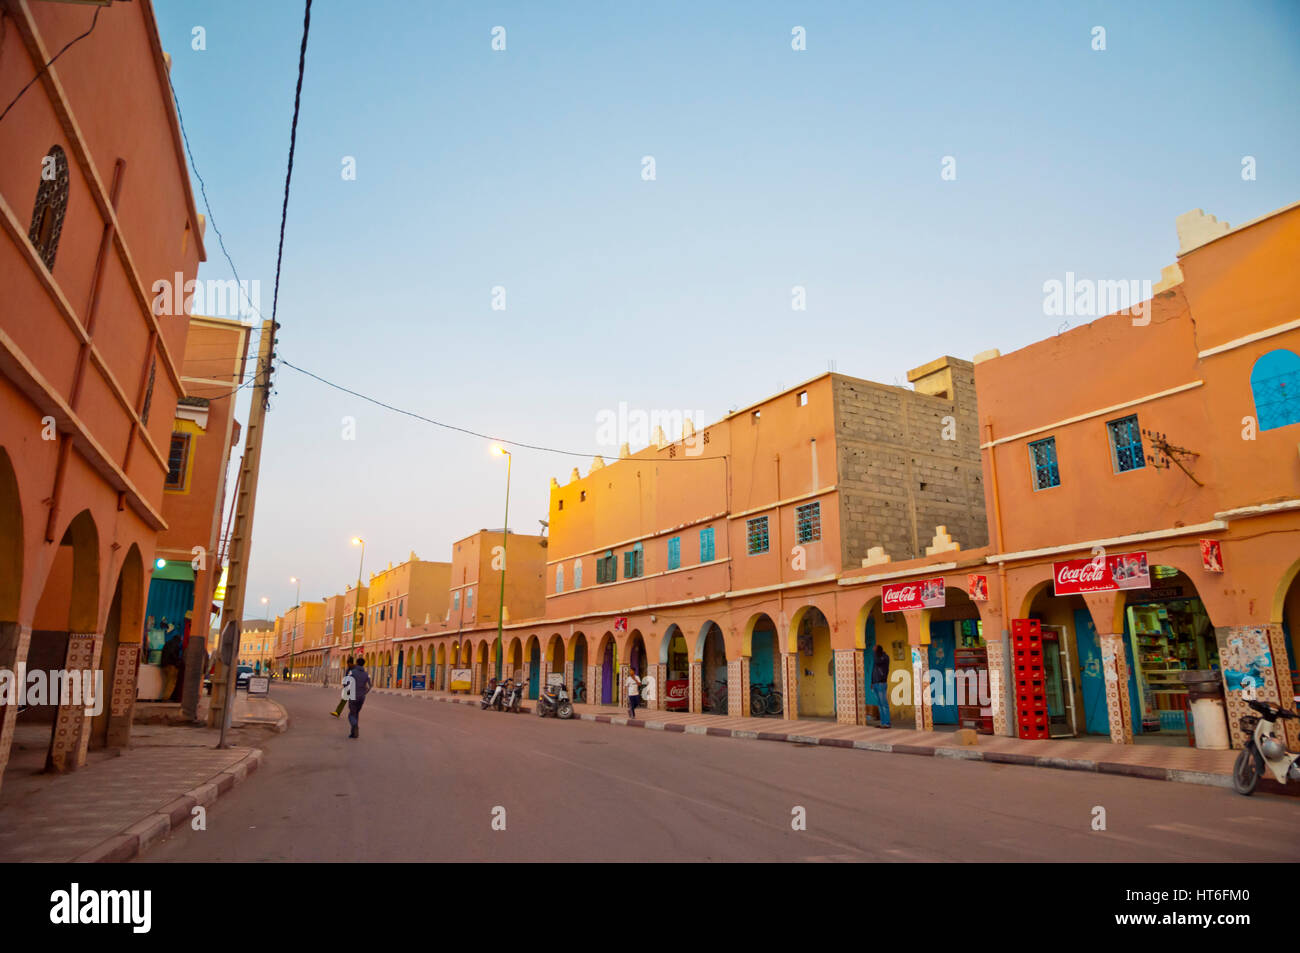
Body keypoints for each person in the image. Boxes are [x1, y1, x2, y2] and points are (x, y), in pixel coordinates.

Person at [345, 657, 371, 738]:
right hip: (362, 697)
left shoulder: (352, 672)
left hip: (353, 696)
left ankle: (354, 725)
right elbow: (370, 685)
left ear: (357, 663)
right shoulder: (366, 674)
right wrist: (365, 692)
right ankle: (353, 733)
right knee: (356, 714)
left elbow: (346, 682)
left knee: (351, 715)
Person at [160, 623, 183, 702]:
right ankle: (165, 698)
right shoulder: (175, 645)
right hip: (171, 666)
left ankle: (164, 696)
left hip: (164, 665)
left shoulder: (167, 643)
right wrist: (177, 660)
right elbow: (172, 653)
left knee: (167, 682)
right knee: (171, 683)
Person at [871, 644, 891, 728]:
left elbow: (877, 662)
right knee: (879, 704)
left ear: (878, 650)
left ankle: (887, 723)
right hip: (875, 683)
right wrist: (871, 683)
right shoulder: (877, 658)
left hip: (881, 683)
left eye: (875, 650)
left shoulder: (884, 657)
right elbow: (873, 671)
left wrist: (875, 653)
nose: (873, 651)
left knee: (884, 704)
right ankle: (882, 723)